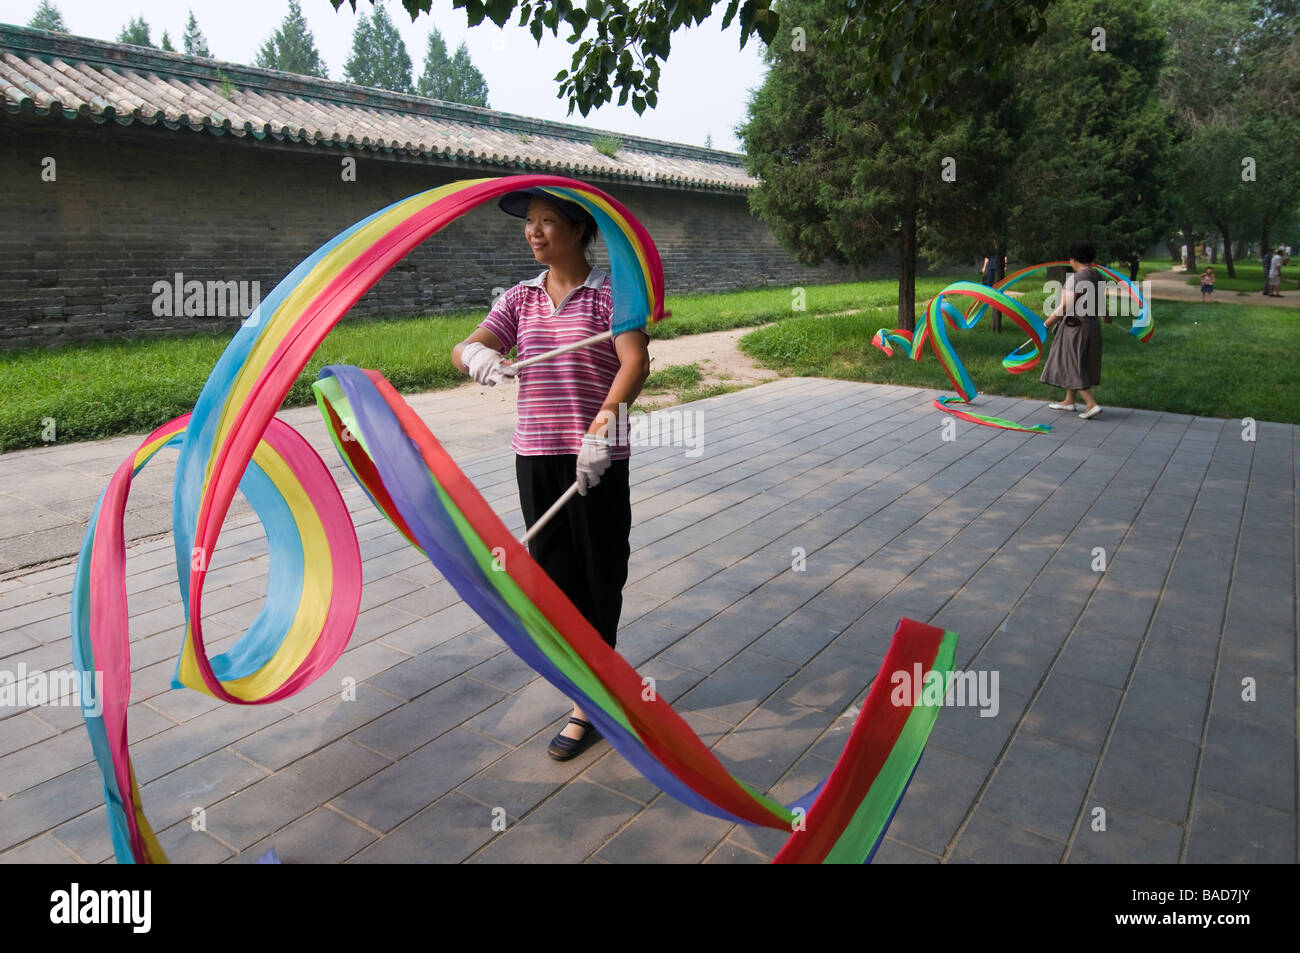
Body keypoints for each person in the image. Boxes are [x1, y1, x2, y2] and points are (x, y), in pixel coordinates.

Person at [451, 188, 650, 761]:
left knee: (601, 573)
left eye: (547, 222)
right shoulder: (518, 299)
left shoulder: (612, 296)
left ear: (579, 228)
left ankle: (590, 701)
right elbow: (464, 347)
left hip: (596, 458)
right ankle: (585, 689)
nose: (534, 233)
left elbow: (634, 362)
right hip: (537, 457)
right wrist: (475, 357)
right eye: (529, 224)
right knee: (557, 579)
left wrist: (602, 429)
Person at [1041, 240, 1111, 419]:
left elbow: (1065, 307)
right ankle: (1069, 401)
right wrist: (1106, 317)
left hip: (1075, 327)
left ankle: (1090, 404)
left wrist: (1046, 324)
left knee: (1071, 363)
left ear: (1072, 259)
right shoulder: (1097, 276)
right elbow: (1101, 303)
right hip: (1092, 325)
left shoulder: (1077, 278)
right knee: (1077, 360)